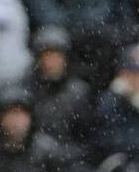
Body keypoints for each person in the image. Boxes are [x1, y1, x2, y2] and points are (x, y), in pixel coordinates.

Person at [24, 26, 94, 154]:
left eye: (56, 56)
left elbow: (85, 136)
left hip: (67, 158)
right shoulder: (24, 91)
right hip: (32, 158)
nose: (50, 62)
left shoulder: (79, 92)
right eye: (46, 56)